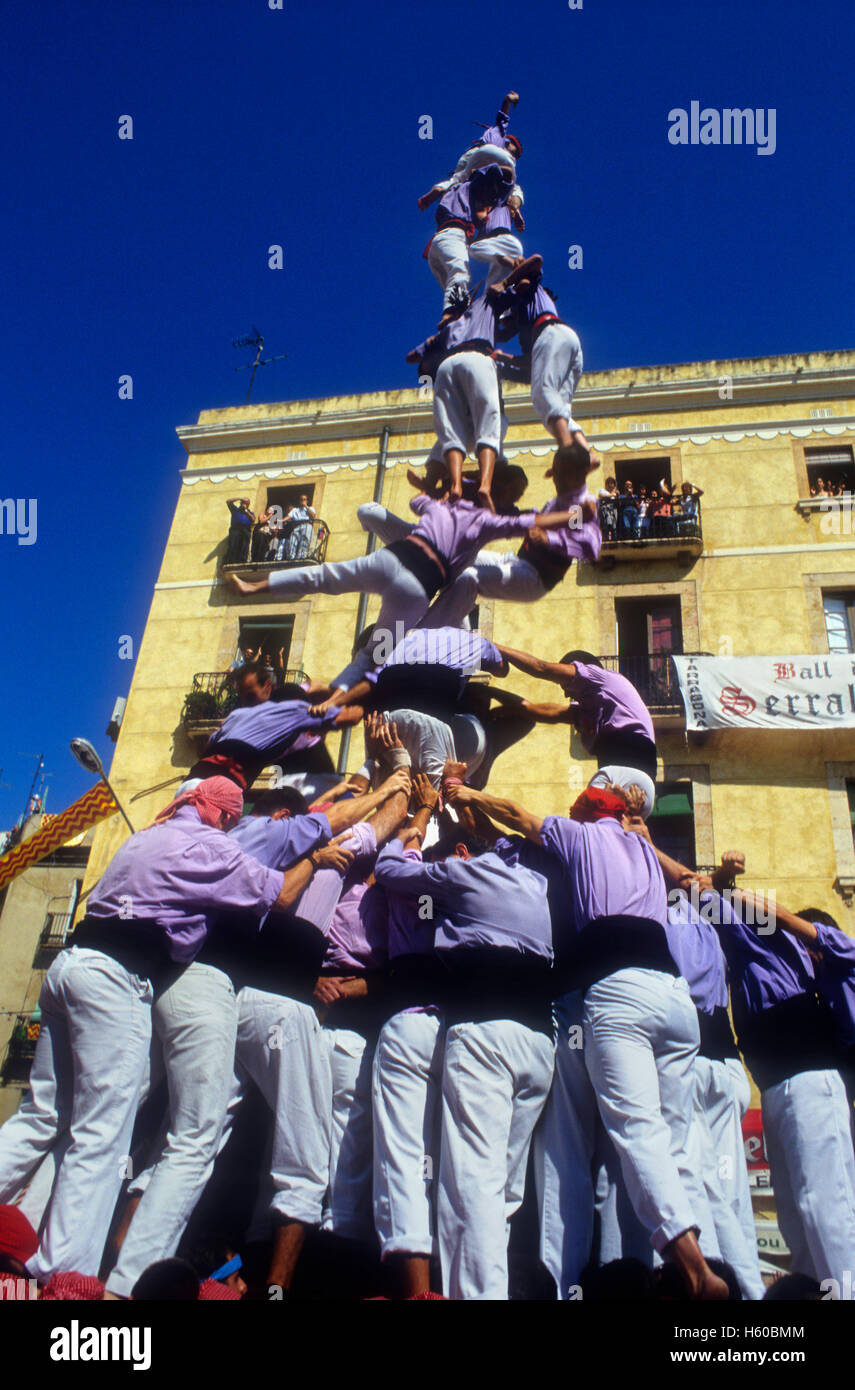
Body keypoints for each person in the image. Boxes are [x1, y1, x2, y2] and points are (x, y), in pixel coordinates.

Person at [446, 770, 729, 1300]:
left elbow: (516, 816)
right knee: (673, 1143)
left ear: (583, 811)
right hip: (673, 997)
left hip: (608, 993)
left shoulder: (577, 835)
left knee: (605, 1140)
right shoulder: (644, 848)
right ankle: (679, 1272)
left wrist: (468, 794)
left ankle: (689, 1269)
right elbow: (696, 885)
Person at [0, 779, 286, 1285]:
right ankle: (64, 1275)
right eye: (229, 818)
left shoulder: (145, 837)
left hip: (70, 967)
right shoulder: (208, 843)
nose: (229, 827)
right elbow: (271, 891)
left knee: (42, 1112)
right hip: (114, 982)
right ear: (213, 811)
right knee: (102, 1133)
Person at [374, 823, 555, 1301]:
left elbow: (389, 869)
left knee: (468, 1185)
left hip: (483, 1031)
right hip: (540, 1042)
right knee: (501, 1193)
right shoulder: (534, 882)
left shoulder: (463, 872)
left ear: (458, 853)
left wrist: (410, 830)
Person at [227, 495, 582, 682]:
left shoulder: (399, 631)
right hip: (442, 568)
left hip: (439, 568)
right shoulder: (410, 630)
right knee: (464, 576)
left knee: (345, 571)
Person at [187, 664, 364, 792]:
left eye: (250, 696)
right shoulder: (247, 714)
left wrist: (329, 703)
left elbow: (316, 686)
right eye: (242, 698)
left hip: (314, 770)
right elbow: (317, 688)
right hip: (287, 776)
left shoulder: (283, 703)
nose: (245, 703)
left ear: (267, 686)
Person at [489, 645, 658, 779]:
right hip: (635, 767)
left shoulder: (600, 678)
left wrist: (493, 647)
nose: (566, 693)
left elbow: (542, 668)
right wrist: (509, 709)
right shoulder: (594, 706)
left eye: (565, 685)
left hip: (633, 755)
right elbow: (553, 713)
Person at [490, 254, 590, 456]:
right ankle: (584, 452)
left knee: (542, 393)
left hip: (551, 332)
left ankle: (568, 451)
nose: (506, 327)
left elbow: (535, 260)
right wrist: (503, 359)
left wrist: (505, 281)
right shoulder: (526, 335)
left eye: (506, 321)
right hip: (568, 339)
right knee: (557, 406)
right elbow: (531, 364)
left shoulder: (531, 291)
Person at [417, 92, 523, 214]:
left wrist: (508, 99)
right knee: (512, 187)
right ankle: (513, 209)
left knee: (458, 179)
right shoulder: (502, 136)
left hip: (476, 153)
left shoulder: (494, 133)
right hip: (500, 158)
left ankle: (441, 188)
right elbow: (503, 116)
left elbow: (502, 114)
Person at [279, 494, 316, 562]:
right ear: (299, 501)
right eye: (301, 499)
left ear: (307, 501)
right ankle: (291, 557)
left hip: (306, 525)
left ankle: (301, 557)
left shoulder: (310, 508)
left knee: (304, 541)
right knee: (292, 541)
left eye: (304, 499)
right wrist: (280, 520)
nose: (303, 501)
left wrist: (305, 506)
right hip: (297, 526)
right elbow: (288, 517)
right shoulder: (295, 510)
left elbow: (313, 516)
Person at [225, 498, 256, 565]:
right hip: (236, 528)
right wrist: (239, 498)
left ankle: (242, 561)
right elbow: (228, 501)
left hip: (246, 529)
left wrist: (246, 511)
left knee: (244, 546)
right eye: (243, 502)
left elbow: (253, 519)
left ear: (248, 504)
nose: (244, 504)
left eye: (246, 503)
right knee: (233, 544)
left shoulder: (250, 512)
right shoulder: (235, 510)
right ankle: (230, 561)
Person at [597, 477, 619, 542]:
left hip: (613, 510)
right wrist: (611, 495)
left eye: (613, 484)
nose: (611, 486)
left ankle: (614, 540)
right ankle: (607, 540)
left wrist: (617, 496)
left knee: (613, 525)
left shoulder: (615, 493)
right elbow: (601, 495)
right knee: (607, 524)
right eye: (610, 484)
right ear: (607, 485)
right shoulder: (603, 491)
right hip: (606, 510)